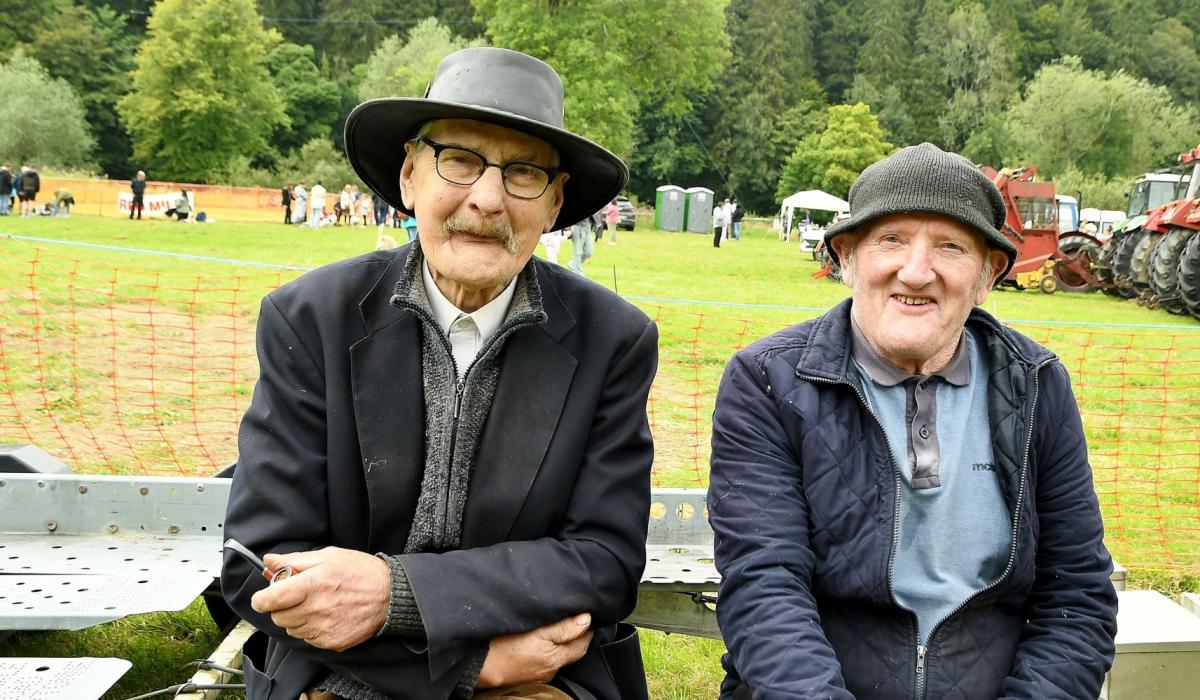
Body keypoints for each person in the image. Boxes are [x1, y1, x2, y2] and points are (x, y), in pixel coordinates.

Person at [222, 47, 656, 700]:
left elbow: (603, 562)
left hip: (543, 677)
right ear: (409, 177)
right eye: (460, 160)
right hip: (353, 674)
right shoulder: (308, 318)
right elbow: (262, 565)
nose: (486, 199)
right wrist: (473, 665)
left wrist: (395, 593)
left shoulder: (613, 341)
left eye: (523, 173)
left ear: (555, 202)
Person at [709, 143, 1117, 699]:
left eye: (950, 246)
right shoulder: (767, 381)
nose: (917, 271)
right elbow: (765, 589)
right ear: (847, 257)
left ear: (988, 274)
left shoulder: (1038, 383)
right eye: (891, 240)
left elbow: (1076, 597)